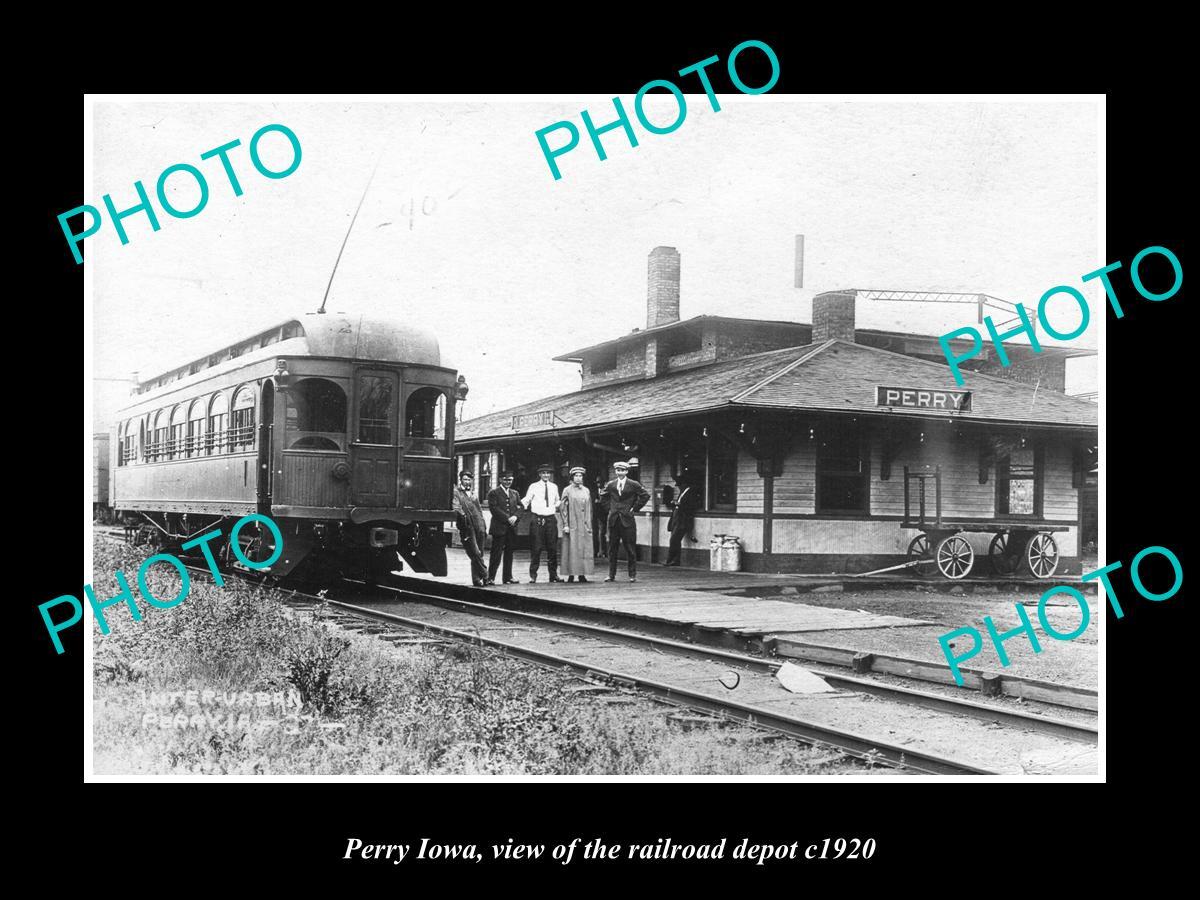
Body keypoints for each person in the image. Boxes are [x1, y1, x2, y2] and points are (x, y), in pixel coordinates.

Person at [602, 460, 650, 582]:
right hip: (613, 520)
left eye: (623, 470)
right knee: (612, 549)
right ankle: (611, 575)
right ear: (615, 471)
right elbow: (603, 497)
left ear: (627, 471)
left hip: (627, 520)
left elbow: (645, 495)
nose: (620, 472)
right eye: (618, 470)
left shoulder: (633, 484)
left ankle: (632, 575)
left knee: (630, 548)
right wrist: (610, 509)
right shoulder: (611, 484)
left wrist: (634, 508)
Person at [522, 463, 564, 582]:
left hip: (550, 519)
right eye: (544, 473)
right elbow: (527, 500)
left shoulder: (554, 487)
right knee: (536, 548)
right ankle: (533, 575)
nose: (546, 475)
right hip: (538, 519)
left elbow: (557, 500)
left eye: (548, 473)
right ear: (539, 474)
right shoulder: (533, 486)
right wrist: (519, 506)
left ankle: (553, 575)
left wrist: (555, 506)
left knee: (552, 548)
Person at [452, 470, 489, 586]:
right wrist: (464, 517)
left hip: (479, 525)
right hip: (467, 526)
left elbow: (479, 510)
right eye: (465, 479)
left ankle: (476, 580)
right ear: (461, 480)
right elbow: (456, 507)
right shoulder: (456, 492)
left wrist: (483, 524)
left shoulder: (473, 493)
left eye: (469, 479)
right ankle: (485, 574)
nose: (467, 482)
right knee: (475, 552)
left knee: (480, 553)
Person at [558, 466, 594, 583]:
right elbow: (563, 508)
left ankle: (582, 574)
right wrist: (565, 524)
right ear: (572, 477)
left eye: (580, 476)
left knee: (583, 549)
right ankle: (571, 574)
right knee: (572, 549)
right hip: (573, 523)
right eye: (576, 476)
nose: (578, 478)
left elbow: (589, 508)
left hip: (584, 523)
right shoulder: (567, 490)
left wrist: (589, 524)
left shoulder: (586, 490)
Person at [486, 470, 521, 584]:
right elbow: (494, 508)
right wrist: (508, 518)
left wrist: (515, 517)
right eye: (505, 480)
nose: (508, 482)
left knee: (509, 553)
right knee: (496, 553)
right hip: (499, 527)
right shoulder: (494, 493)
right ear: (500, 480)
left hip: (511, 528)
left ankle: (508, 577)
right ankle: (491, 577)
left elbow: (520, 507)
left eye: (510, 480)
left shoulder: (515, 493)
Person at [665, 473, 701, 566]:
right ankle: (674, 560)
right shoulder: (682, 492)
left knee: (674, 539)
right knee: (674, 539)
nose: (678, 487)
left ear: (684, 484)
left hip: (683, 519)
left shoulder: (690, 492)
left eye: (679, 485)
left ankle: (672, 560)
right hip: (677, 518)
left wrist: (679, 504)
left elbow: (691, 506)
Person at [592, 475, 609, 557]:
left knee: (602, 534)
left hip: (604, 516)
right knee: (595, 533)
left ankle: (603, 551)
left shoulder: (607, 492)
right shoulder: (594, 492)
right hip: (595, 517)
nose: (598, 484)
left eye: (600, 482)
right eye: (597, 482)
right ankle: (596, 551)